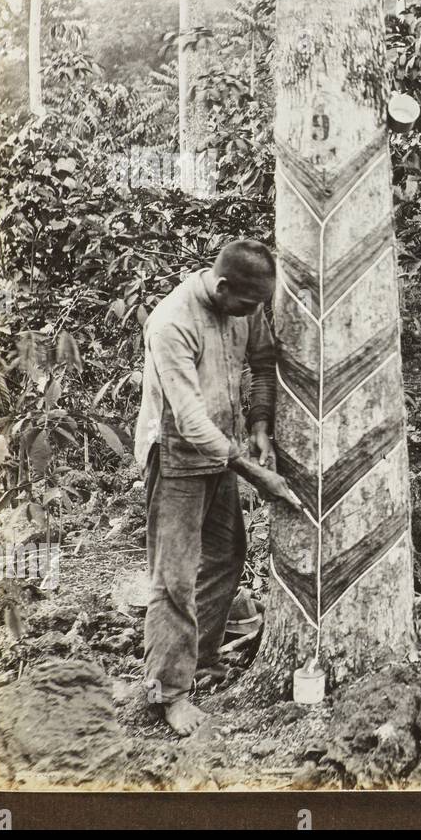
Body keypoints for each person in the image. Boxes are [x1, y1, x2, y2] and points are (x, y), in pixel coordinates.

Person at [133, 239, 301, 737]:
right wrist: (255, 473)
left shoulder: (244, 307)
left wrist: (261, 424)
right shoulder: (172, 323)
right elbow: (187, 419)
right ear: (223, 286)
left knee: (227, 554)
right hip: (177, 453)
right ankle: (168, 692)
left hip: (222, 448)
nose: (252, 314)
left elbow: (264, 360)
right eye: (248, 305)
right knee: (174, 577)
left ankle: (200, 661)